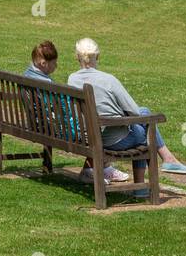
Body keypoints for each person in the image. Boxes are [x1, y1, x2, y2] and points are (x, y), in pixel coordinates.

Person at [68, 37, 186, 197]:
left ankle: (166, 161)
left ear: (77, 57)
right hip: (112, 140)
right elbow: (134, 112)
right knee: (144, 121)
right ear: (98, 57)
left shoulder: (72, 79)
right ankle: (161, 166)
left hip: (88, 137)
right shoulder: (108, 80)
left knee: (143, 114)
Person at [23, 40, 127, 183]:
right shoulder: (46, 85)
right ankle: (98, 169)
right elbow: (63, 109)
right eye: (54, 63)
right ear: (43, 63)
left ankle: (102, 167)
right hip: (52, 128)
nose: (56, 66)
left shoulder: (27, 75)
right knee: (97, 129)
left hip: (38, 123)